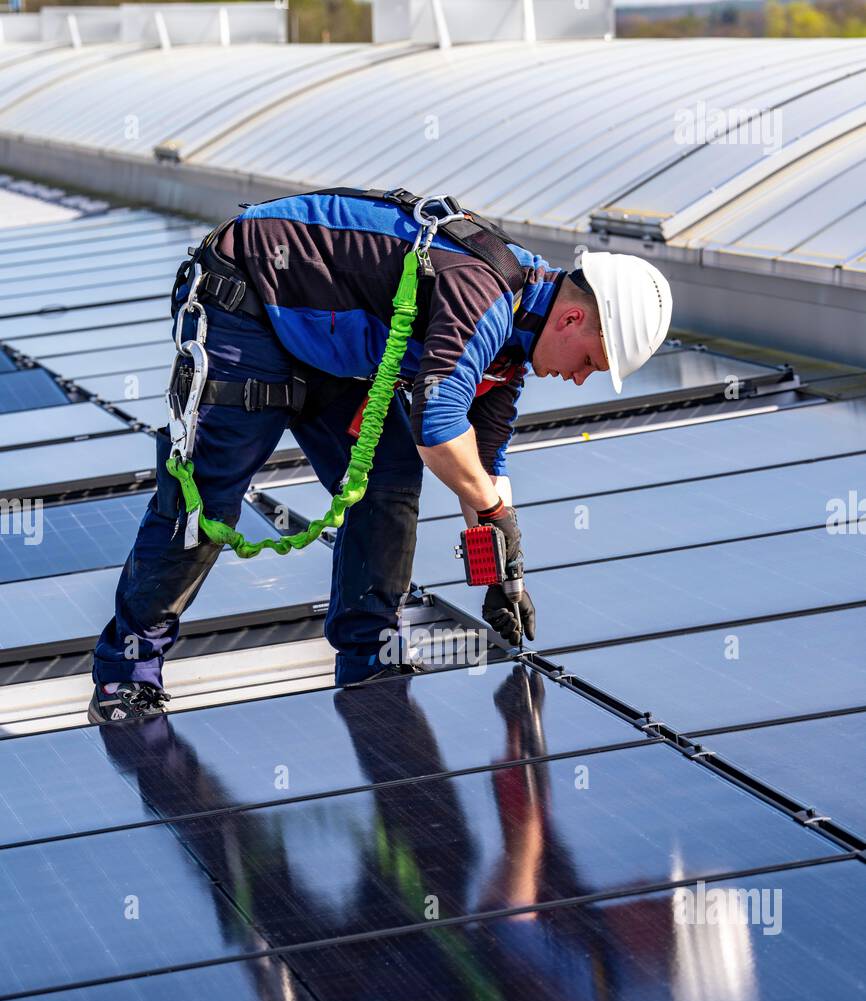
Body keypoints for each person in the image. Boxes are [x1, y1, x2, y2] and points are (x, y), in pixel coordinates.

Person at [88, 189, 671, 724]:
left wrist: (503, 578)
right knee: (204, 501)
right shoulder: (483, 295)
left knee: (386, 482)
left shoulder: (516, 338)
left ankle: (370, 656)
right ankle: (125, 677)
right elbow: (440, 428)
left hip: (334, 342)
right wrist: (493, 511)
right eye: (591, 362)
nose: (578, 380)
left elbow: (484, 465)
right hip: (248, 300)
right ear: (572, 318)